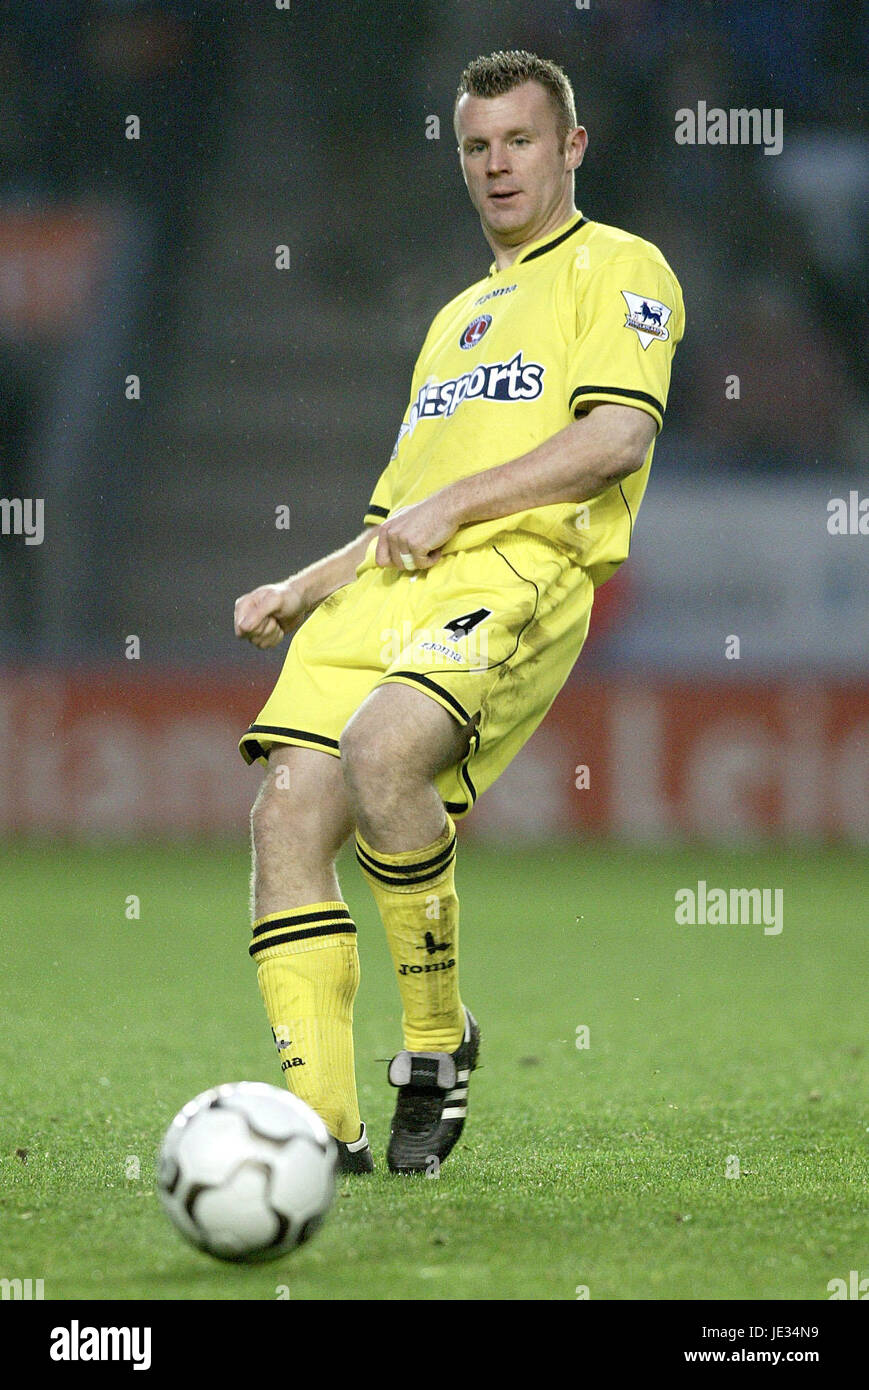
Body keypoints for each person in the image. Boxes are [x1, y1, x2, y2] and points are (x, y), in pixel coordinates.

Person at [234, 50, 684, 1175]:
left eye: (519, 140)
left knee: (385, 749)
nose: (495, 164)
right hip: (392, 584)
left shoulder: (619, 267)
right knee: (287, 811)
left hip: (516, 569)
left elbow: (612, 440)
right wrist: (308, 583)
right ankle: (319, 1133)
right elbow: (398, 514)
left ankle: (434, 1045)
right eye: (476, 145)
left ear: (569, 147)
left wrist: (456, 505)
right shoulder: (454, 321)